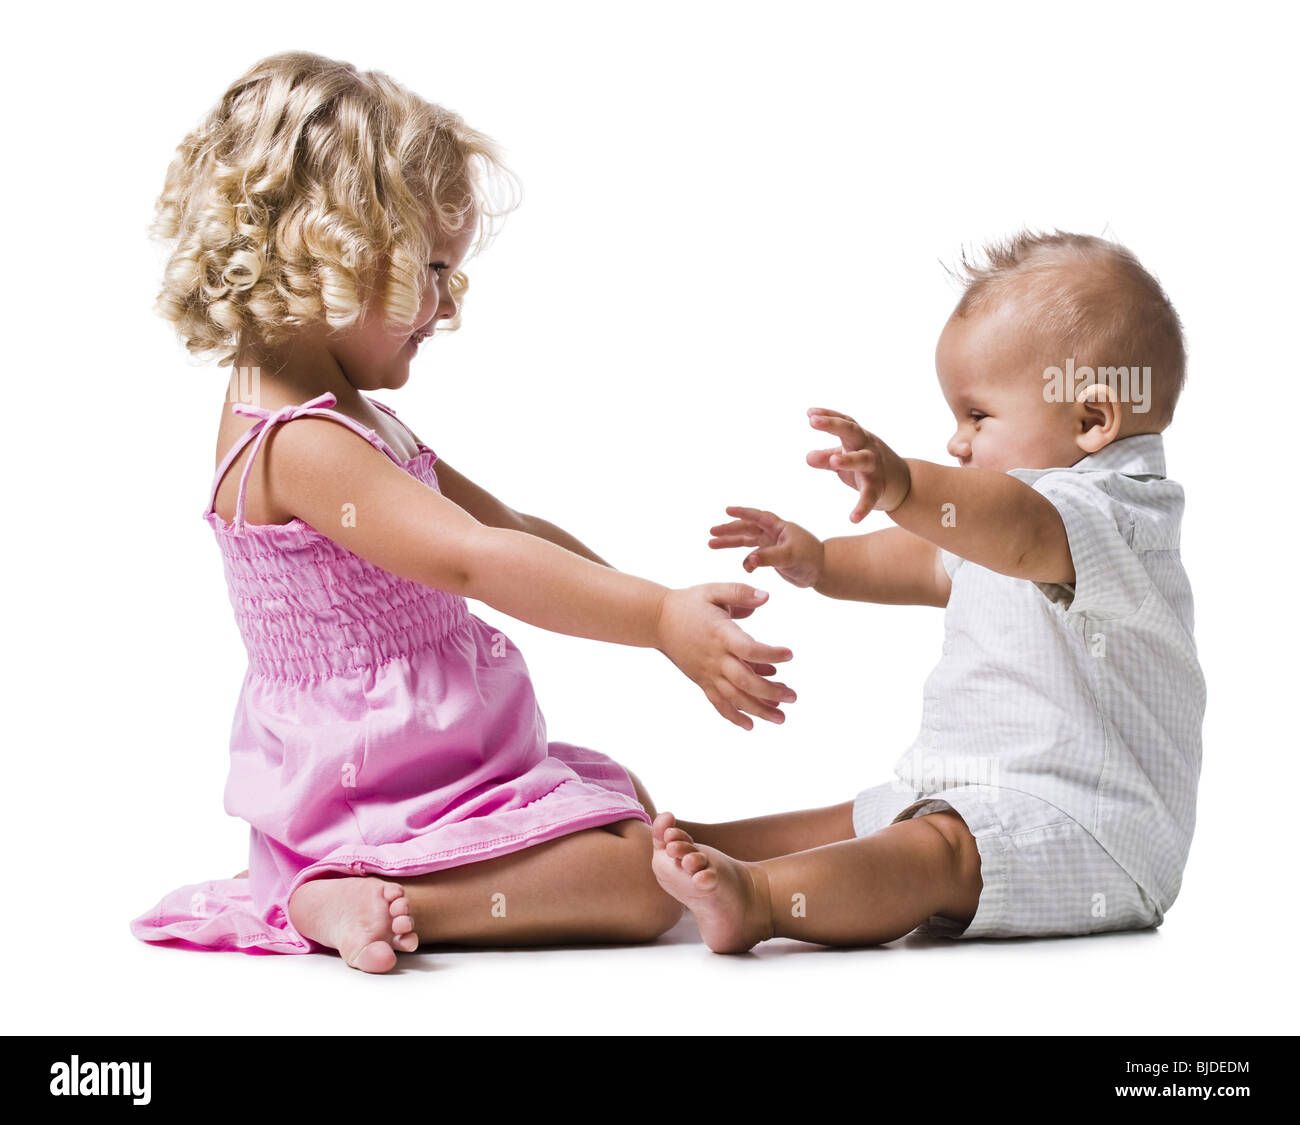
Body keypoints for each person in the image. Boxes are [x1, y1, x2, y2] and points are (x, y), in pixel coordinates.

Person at [130, 51, 795, 973]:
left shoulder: (347, 417)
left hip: (428, 759)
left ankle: (761, 848)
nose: (445, 306)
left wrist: (661, 596)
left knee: (629, 805)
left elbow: (508, 527)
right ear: (331, 255)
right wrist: (653, 622)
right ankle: (345, 892)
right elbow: (474, 560)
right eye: (431, 272)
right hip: (368, 783)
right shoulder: (297, 443)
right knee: (640, 885)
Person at [652, 231, 1205, 951]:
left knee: (934, 849)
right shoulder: (1007, 522)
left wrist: (908, 485)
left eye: (977, 415)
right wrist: (821, 559)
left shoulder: (1116, 517)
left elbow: (1015, 530)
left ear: (1093, 420)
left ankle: (759, 898)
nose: (957, 443)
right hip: (985, 795)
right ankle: (693, 844)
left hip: (1094, 830)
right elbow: (921, 561)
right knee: (865, 818)